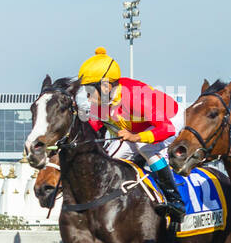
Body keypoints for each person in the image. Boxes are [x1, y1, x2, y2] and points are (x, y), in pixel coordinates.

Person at [75, 46, 185, 218]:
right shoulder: (102, 102)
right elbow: (90, 130)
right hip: (138, 129)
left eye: (89, 90)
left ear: (105, 86)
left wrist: (135, 137)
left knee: (144, 147)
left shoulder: (136, 97)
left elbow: (167, 128)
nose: (88, 97)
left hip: (170, 121)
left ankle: (175, 200)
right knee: (110, 158)